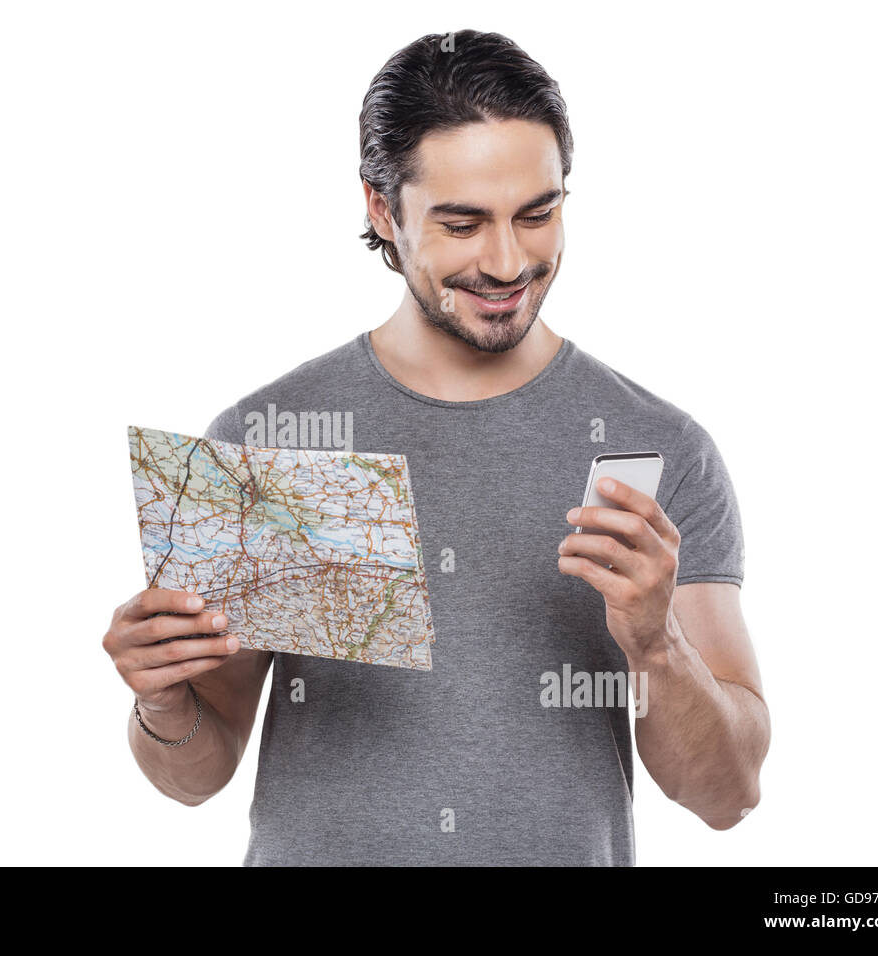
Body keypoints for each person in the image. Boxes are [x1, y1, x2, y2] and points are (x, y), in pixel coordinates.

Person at [103, 29, 770, 866]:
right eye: (462, 223)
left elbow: (729, 793)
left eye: (539, 213)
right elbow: (197, 774)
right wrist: (163, 699)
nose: (508, 260)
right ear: (383, 209)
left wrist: (653, 642)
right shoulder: (270, 441)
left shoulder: (661, 449)